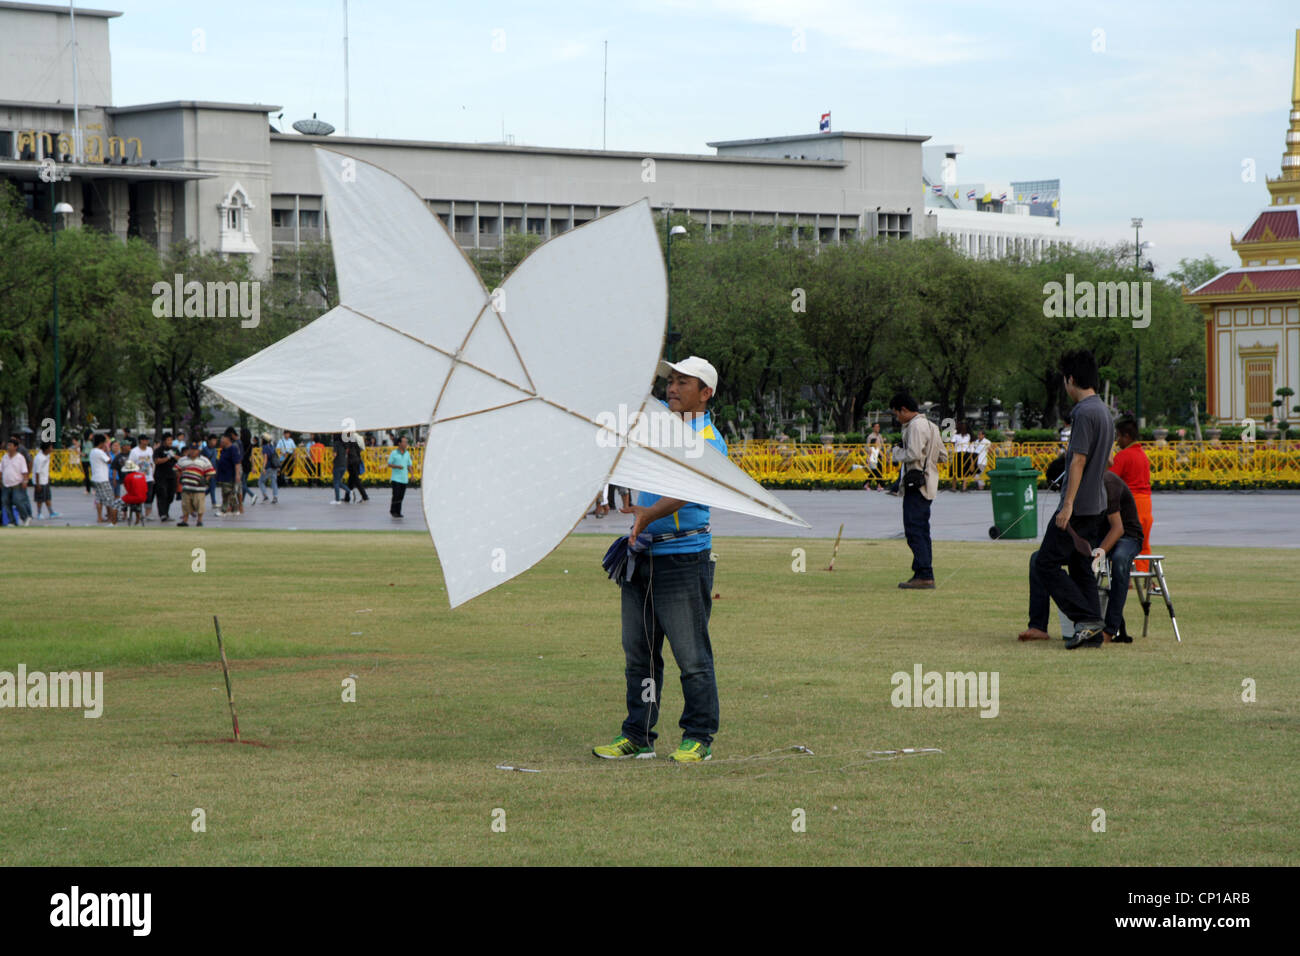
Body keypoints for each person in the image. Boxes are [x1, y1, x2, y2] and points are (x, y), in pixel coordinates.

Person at [593, 356, 725, 764]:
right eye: (670, 380)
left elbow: (694, 486)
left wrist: (648, 515)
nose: (671, 388)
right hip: (642, 555)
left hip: (683, 558)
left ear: (706, 393)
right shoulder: (659, 429)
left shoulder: (708, 437)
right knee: (640, 654)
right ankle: (638, 735)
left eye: (683, 382)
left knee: (691, 656)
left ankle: (698, 737)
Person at [1023, 349, 1114, 649]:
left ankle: (1086, 619)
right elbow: (1108, 461)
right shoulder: (1104, 411)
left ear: (1071, 380)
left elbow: (1077, 461)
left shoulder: (1084, 412)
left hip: (1079, 507)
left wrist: (1068, 504)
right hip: (1097, 505)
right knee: (1078, 566)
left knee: (1045, 564)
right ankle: (1092, 632)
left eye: (1065, 381)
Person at [890, 392, 948, 589]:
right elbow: (943, 456)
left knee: (914, 529)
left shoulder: (914, 425)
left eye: (897, 414)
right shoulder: (932, 426)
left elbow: (913, 453)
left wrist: (896, 453)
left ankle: (924, 574)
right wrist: (928, 460)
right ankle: (922, 571)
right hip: (930, 483)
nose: (897, 418)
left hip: (916, 484)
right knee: (922, 529)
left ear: (904, 410)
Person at [1110, 418, 1154, 575]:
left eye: (1119, 436)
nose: (1117, 440)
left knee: (1123, 542)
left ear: (1126, 436)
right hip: (1146, 504)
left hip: (1131, 505)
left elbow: (1110, 480)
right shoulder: (1142, 455)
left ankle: (1124, 576)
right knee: (1143, 543)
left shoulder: (1123, 456)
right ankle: (1144, 573)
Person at [176, 443, 215, 527]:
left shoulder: (204, 460)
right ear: (189, 450)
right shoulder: (182, 460)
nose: (193, 451)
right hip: (186, 487)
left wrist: (205, 480)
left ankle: (199, 520)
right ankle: (185, 520)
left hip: (199, 488)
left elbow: (211, 471)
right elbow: (177, 469)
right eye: (192, 449)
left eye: (195, 450)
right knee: (185, 504)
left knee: (200, 504)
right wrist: (181, 477)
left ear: (198, 450)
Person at [88, 434, 119, 525]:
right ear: (101, 443)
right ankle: (110, 518)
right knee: (109, 498)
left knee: (99, 499)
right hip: (102, 479)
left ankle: (99, 517)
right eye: (104, 443)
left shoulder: (92, 451)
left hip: (95, 478)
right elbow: (110, 460)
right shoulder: (100, 452)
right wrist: (108, 451)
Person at [2, 438, 33, 526]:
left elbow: (24, 471)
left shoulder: (20, 458)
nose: (8, 447)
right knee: (5, 502)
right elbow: (1, 469)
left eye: (10, 445)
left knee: (18, 501)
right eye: (8, 445)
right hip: (6, 484)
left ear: (15, 447)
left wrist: (25, 481)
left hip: (17, 484)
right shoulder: (5, 457)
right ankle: (12, 521)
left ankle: (25, 517)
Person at [127, 435, 155, 521]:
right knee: (139, 497)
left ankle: (148, 514)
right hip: (138, 477)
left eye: (147, 440)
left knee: (149, 496)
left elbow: (152, 463)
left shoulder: (150, 449)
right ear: (141, 441)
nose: (146, 442)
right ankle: (138, 514)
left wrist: (153, 475)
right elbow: (130, 464)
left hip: (149, 477)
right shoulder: (134, 451)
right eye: (145, 440)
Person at [153, 432, 178, 523]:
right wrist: (167, 457)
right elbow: (156, 461)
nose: (170, 442)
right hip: (161, 476)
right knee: (162, 494)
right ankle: (162, 514)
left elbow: (180, 458)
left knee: (170, 495)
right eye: (168, 440)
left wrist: (174, 455)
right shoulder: (158, 450)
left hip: (172, 475)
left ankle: (166, 513)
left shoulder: (175, 449)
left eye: (171, 440)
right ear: (164, 441)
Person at [215, 432, 242, 515]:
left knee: (228, 493)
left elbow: (237, 463)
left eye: (223, 438)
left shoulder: (233, 449)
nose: (221, 440)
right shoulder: (224, 449)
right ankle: (234, 509)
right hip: (224, 475)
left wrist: (237, 474)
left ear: (228, 440)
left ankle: (224, 510)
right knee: (227, 493)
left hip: (230, 475)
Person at [387, 435, 413, 518]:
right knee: (396, 495)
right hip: (396, 478)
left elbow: (409, 465)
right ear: (399, 443)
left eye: (406, 442)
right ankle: (393, 511)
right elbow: (389, 464)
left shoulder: (407, 453)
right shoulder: (394, 453)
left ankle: (398, 511)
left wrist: (412, 475)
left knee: (401, 496)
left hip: (404, 479)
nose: (406, 443)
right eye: (404, 442)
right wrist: (397, 466)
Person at [32, 441, 58, 519]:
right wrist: (38, 484)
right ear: (46, 449)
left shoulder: (47, 455)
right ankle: (39, 513)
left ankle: (51, 512)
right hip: (40, 482)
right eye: (51, 447)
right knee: (40, 499)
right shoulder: (39, 458)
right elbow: (37, 472)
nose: (52, 449)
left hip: (45, 480)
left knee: (47, 497)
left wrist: (48, 476)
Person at [119, 460, 147, 525]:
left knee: (115, 504)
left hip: (133, 497)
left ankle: (113, 523)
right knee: (137, 503)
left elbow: (128, 490)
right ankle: (138, 520)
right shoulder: (142, 475)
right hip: (143, 497)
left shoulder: (127, 477)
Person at [345, 436, 369, 502]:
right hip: (357, 462)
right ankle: (347, 497)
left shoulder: (347, 443)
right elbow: (359, 452)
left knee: (356, 480)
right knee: (350, 481)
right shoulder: (356, 444)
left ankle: (365, 496)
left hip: (351, 463)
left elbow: (346, 452)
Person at [864, 422, 886, 490]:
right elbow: (867, 447)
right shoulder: (870, 436)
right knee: (875, 471)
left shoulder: (880, 436)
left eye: (878, 427)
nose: (877, 428)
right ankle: (879, 485)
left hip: (878, 454)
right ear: (873, 428)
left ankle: (867, 484)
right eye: (876, 427)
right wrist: (868, 456)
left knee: (878, 470)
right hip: (873, 455)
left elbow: (882, 445)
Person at [258, 433, 280, 503]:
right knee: (274, 481)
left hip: (268, 467)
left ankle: (265, 496)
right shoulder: (272, 446)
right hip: (274, 466)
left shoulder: (264, 447)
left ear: (264, 440)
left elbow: (265, 458)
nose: (261, 440)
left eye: (262, 439)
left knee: (260, 481)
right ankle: (275, 497)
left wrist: (263, 467)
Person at [952, 420, 973, 491]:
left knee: (959, 470)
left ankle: (956, 487)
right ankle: (961, 487)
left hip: (961, 453)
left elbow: (953, 442)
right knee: (961, 470)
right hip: (963, 453)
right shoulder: (965, 435)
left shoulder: (965, 435)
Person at [201, 435, 220, 507]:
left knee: (213, 487)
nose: (214, 442)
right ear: (209, 441)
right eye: (213, 440)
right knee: (212, 485)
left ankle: (201, 495)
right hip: (207, 470)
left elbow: (215, 460)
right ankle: (214, 503)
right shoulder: (205, 450)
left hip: (214, 470)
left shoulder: (215, 450)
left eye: (215, 440)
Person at [331, 434, 349, 503]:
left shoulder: (336, 443)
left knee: (336, 482)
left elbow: (335, 454)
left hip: (337, 464)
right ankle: (349, 491)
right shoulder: (344, 444)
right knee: (338, 482)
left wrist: (332, 455)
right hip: (344, 464)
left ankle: (337, 499)